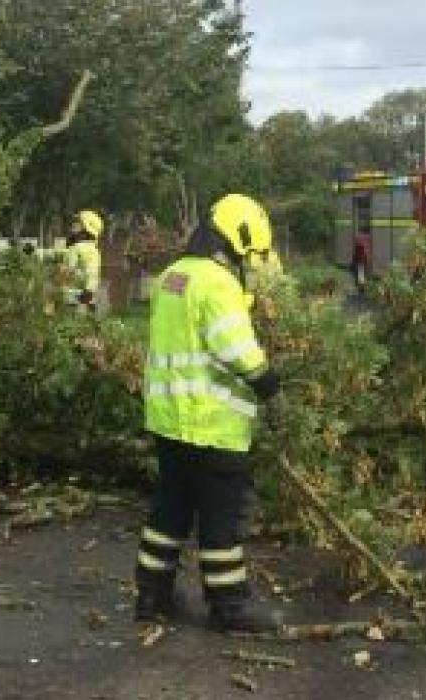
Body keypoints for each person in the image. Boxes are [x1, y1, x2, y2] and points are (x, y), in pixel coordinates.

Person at [135, 193, 284, 633]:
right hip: (212, 425)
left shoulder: (172, 276)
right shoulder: (219, 283)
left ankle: (151, 596)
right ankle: (230, 608)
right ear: (239, 240)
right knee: (222, 522)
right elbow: (235, 347)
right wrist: (270, 386)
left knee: (169, 511)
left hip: (168, 421)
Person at [64, 209, 104, 312]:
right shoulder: (95, 250)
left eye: (78, 223)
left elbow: (69, 270)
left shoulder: (76, 248)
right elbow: (94, 272)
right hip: (90, 290)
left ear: (87, 228)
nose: (73, 225)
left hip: (75, 290)